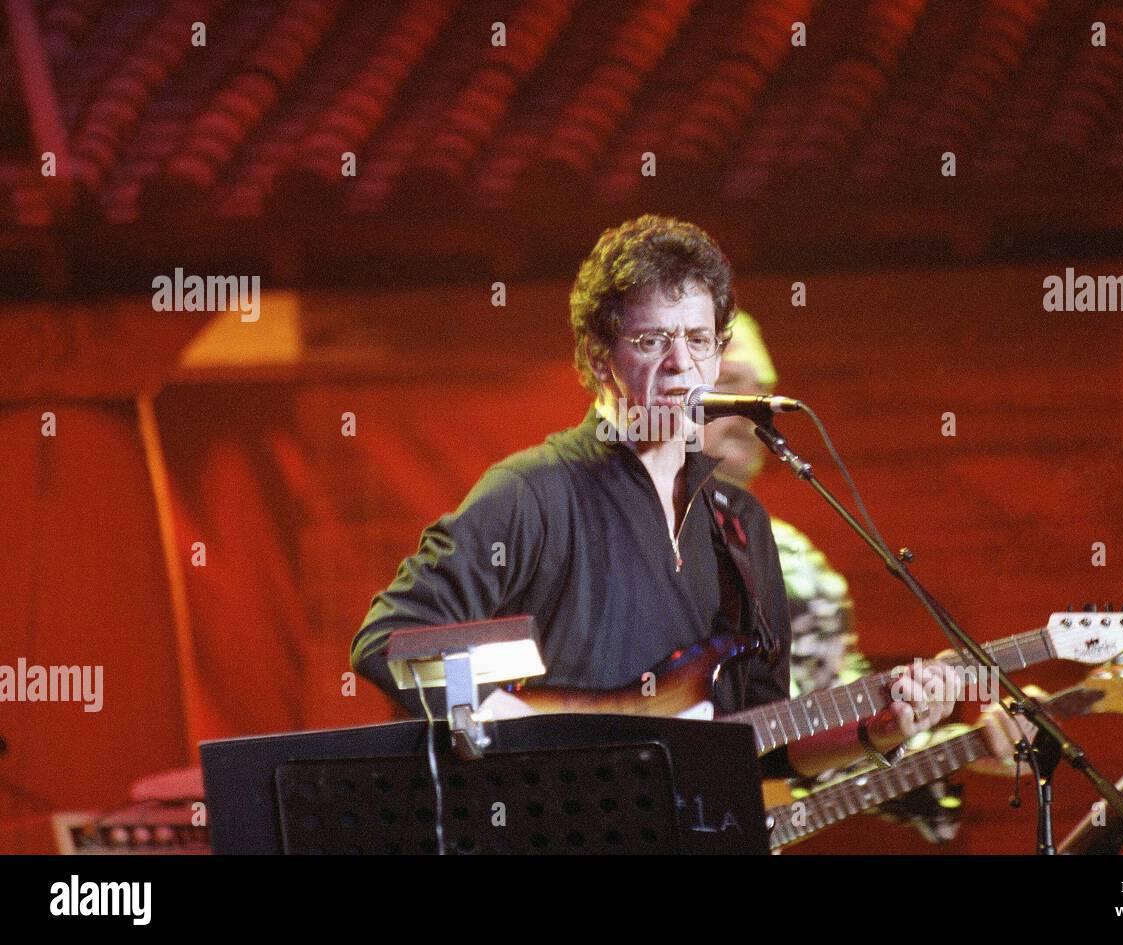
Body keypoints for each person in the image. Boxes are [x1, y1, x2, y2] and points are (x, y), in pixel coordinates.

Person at [351, 214, 960, 779]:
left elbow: (764, 749)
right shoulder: (532, 492)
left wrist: (875, 733)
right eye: (650, 341)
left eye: (698, 340)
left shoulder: (740, 525)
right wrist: (512, 729)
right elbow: (387, 640)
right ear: (598, 357)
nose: (680, 366)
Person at [703, 310, 1035, 837]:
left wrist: (965, 751)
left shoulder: (793, 562)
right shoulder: (585, 526)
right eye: (728, 385)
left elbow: (832, 737)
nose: (753, 413)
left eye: (762, 390)